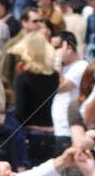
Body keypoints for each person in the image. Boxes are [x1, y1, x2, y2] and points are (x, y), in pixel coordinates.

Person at [11, 29, 59, 167]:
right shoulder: (54, 76)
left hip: (30, 136)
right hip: (50, 134)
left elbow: (20, 113)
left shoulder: (23, 78)